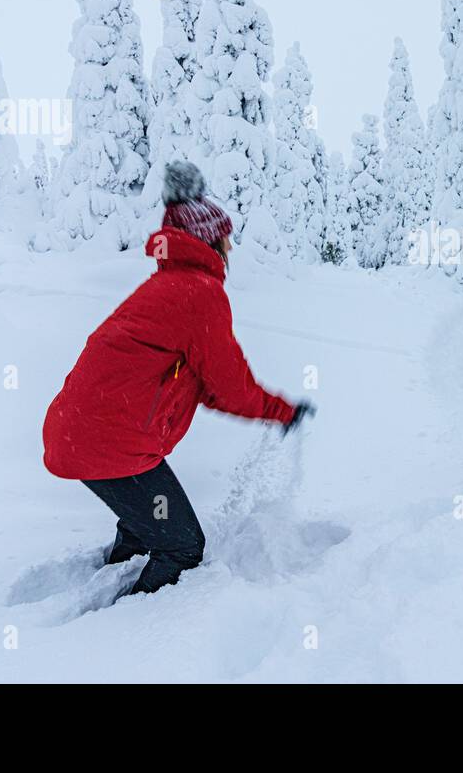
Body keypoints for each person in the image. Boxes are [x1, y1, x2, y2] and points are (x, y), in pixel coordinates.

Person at [42, 161, 313, 595]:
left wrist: (273, 411)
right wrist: (281, 411)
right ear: (211, 242)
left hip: (85, 435)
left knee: (144, 525)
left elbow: (206, 386)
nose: (231, 247)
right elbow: (229, 386)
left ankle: (111, 574)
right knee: (183, 547)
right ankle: (116, 635)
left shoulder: (168, 287)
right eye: (227, 238)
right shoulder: (198, 295)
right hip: (110, 444)